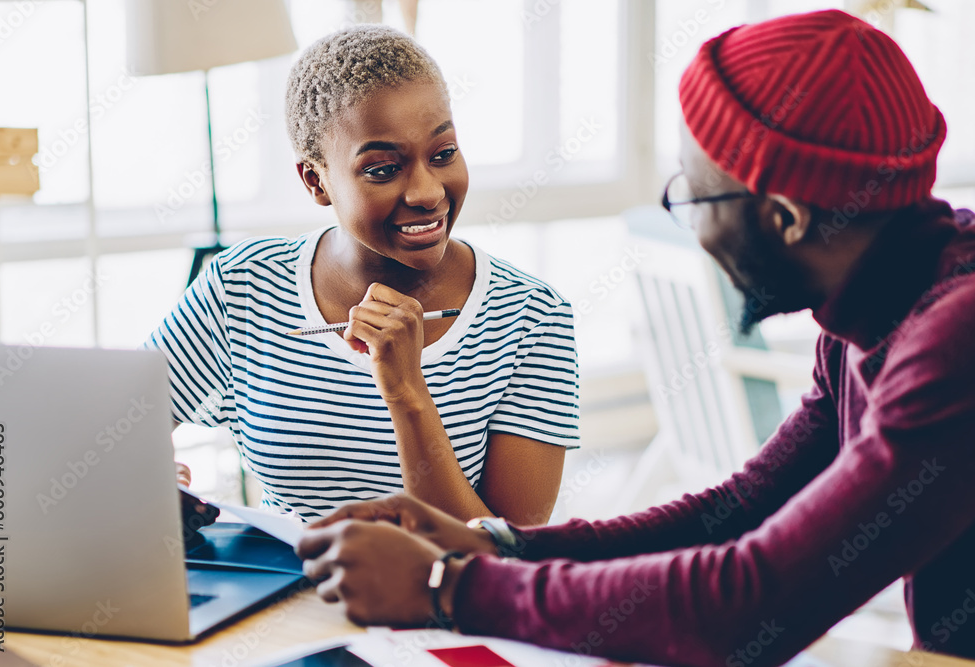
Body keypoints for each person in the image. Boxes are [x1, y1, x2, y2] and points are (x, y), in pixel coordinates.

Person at [294, 10, 975, 665]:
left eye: (694, 198)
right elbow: (740, 511)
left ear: (787, 217)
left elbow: (748, 606)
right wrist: (501, 549)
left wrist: (445, 587)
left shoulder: (954, 341)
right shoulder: (876, 301)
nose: (692, 227)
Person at [145, 25, 579, 524]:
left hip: (444, 603)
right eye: (382, 168)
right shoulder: (241, 288)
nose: (427, 192)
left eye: (443, 155)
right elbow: (105, 437)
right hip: (284, 599)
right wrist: (142, 478)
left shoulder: (531, 317)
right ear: (316, 180)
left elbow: (510, 558)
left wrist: (406, 391)